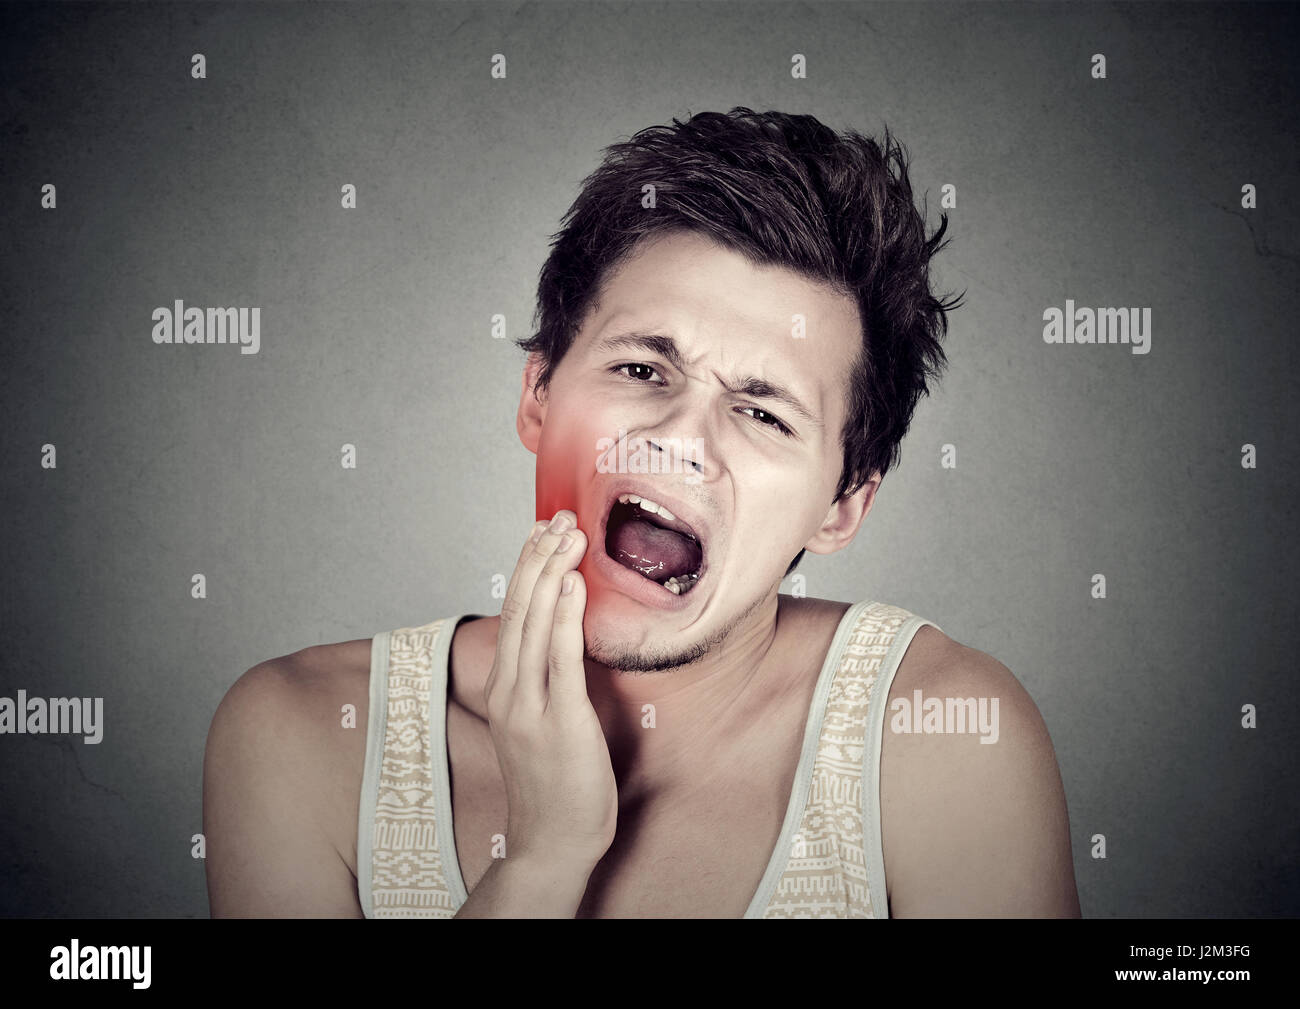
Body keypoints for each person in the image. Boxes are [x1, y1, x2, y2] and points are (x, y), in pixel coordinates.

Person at [203, 108, 1081, 918]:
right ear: (539, 396)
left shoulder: (942, 743)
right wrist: (543, 859)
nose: (679, 439)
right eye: (641, 370)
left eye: (764, 412)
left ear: (842, 508)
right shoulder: (302, 739)